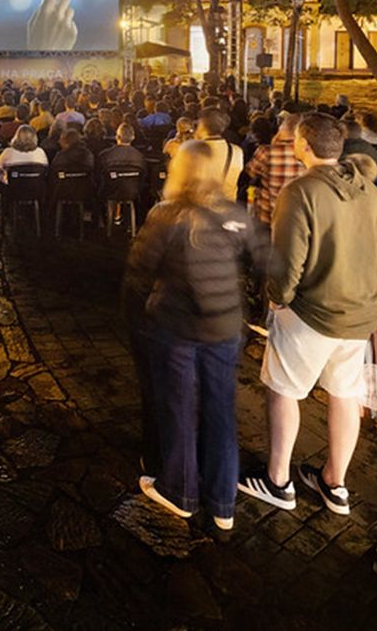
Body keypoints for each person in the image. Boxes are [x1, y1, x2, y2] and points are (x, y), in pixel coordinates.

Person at [238, 114, 377, 517]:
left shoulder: (300, 191)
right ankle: (334, 483)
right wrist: (373, 299)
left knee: (284, 390)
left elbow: (288, 257)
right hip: (360, 313)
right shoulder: (371, 192)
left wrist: (278, 299)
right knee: (345, 395)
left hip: (312, 312)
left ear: (303, 145)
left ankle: (278, 481)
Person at [124, 140, 269, 532]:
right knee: (221, 409)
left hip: (177, 328)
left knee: (179, 407)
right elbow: (265, 256)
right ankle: (223, 504)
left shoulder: (167, 215)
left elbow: (139, 270)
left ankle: (181, 491)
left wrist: (139, 314)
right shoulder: (232, 213)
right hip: (225, 326)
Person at [247, 113, 303, 231]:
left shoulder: (267, 151)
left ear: (282, 129)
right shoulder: (307, 154)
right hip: (296, 218)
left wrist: (275, 140)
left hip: (268, 214)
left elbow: (250, 172)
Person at [195, 108, 244, 201]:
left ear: (202, 126)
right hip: (227, 206)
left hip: (201, 206)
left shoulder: (193, 152)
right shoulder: (237, 151)